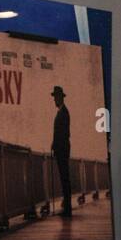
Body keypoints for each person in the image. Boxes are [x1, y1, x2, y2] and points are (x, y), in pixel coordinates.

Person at [51, 85, 73, 217]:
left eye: (55, 97)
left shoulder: (63, 113)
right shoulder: (62, 112)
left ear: (60, 98)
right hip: (62, 148)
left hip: (62, 149)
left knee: (65, 178)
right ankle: (67, 205)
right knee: (65, 177)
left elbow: (63, 133)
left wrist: (56, 144)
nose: (54, 100)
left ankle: (67, 208)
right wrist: (54, 143)